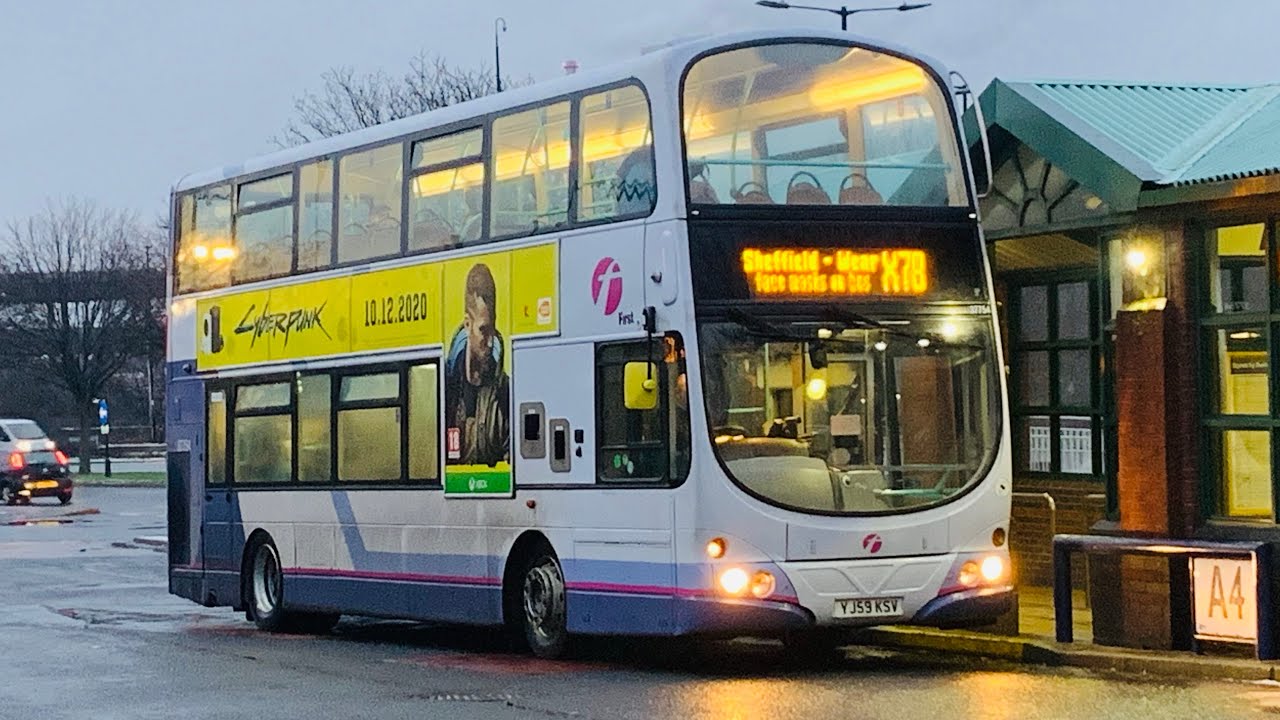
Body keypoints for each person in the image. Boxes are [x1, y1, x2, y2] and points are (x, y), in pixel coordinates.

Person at [444, 263, 511, 467]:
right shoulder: (445, 389)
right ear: (467, 324)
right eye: (483, 330)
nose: (490, 342)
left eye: (492, 330)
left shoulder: (504, 391)